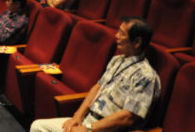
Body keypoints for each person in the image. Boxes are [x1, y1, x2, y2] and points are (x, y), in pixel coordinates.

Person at [30, 17, 161, 132]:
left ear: (137, 42)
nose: (116, 35)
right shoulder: (117, 60)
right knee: (38, 127)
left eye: (121, 33)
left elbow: (128, 117)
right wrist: (77, 117)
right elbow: (97, 87)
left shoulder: (146, 76)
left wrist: (89, 129)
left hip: (108, 129)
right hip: (89, 121)